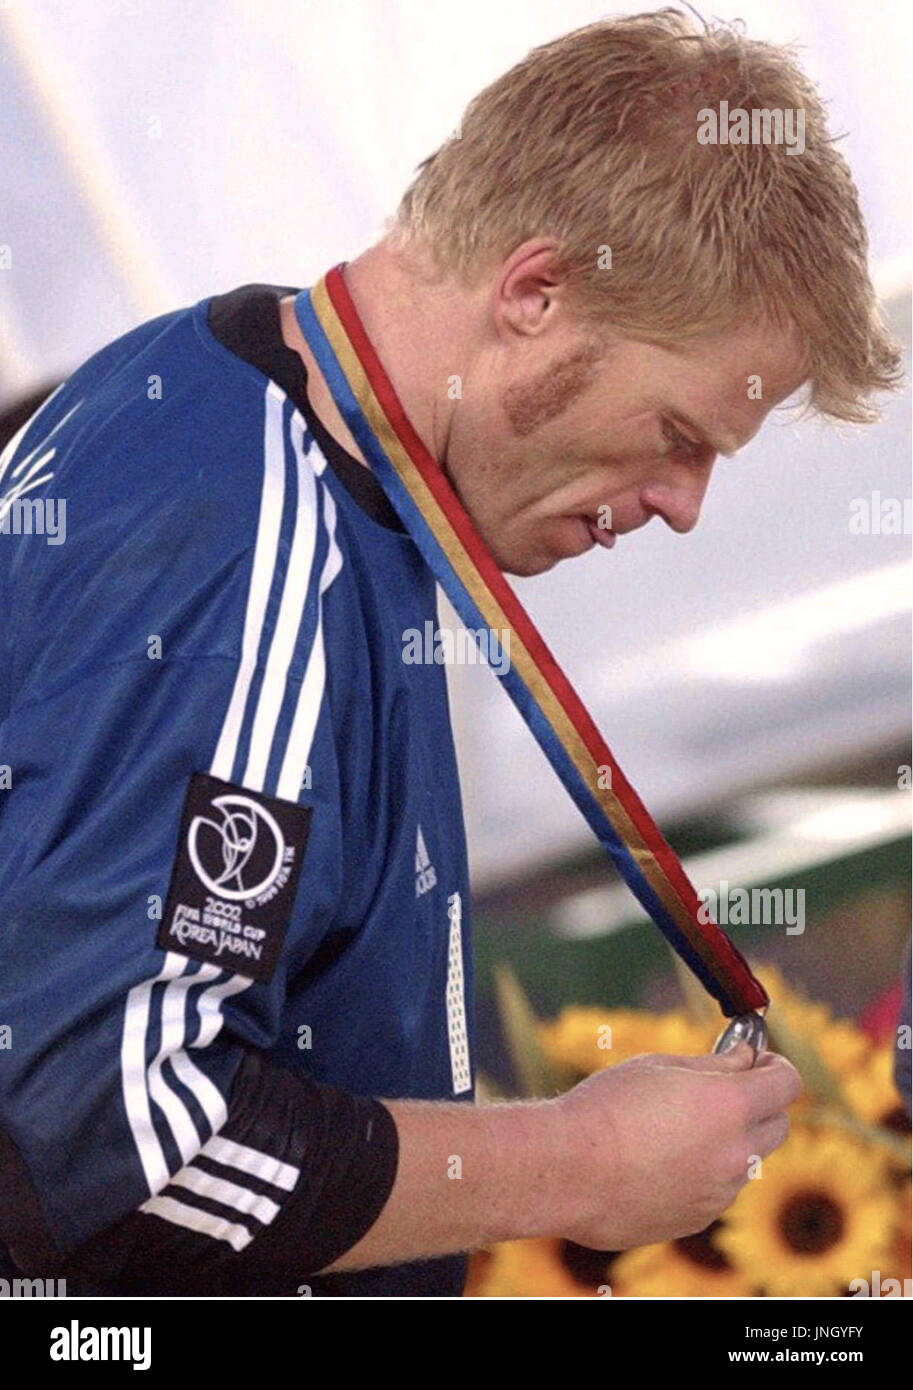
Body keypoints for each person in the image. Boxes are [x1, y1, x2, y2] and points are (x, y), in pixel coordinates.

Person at [0, 11, 898, 1297]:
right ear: (534, 294)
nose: (686, 503)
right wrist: (577, 1160)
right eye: (675, 432)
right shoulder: (244, 531)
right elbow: (121, 1136)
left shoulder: (261, 431)